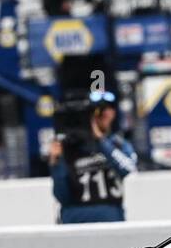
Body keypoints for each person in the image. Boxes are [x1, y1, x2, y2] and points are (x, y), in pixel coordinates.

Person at [50, 90, 137, 223]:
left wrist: (101, 141)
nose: (101, 115)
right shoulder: (68, 149)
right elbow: (62, 196)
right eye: (95, 112)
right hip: (75, 221)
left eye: (106, 109)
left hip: (111, 218)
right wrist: (56, 163)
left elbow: (127, 169)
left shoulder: (117, 144)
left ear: (113, 113)